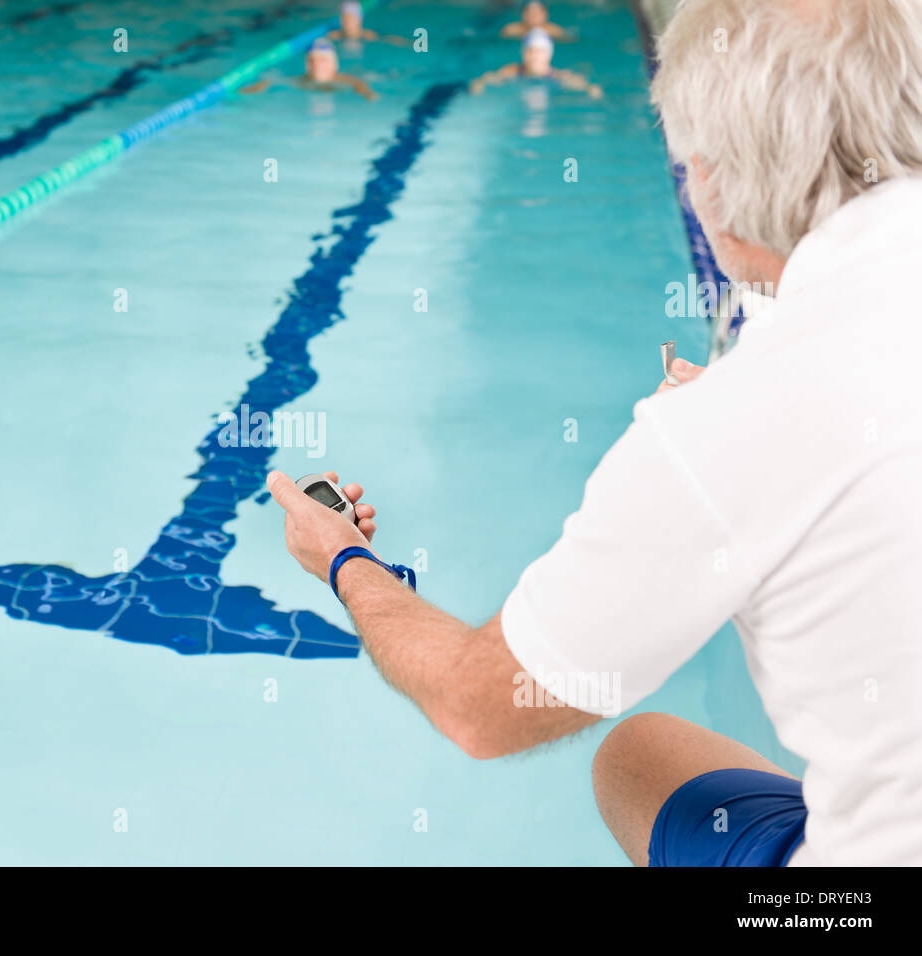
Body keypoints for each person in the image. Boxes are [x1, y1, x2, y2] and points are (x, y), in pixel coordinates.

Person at [268, 0, 922, 866]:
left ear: (716, 179)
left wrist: (344, 562)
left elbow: (480, 707)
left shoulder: (725, 425)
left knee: (634, 756)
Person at [469, 29, 602, 97]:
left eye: (539, 52)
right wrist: (478, 84)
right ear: (523, 53)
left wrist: (591, 89)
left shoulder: (558, 76)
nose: (534, 56)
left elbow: (586, 86)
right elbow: (486, 79)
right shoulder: (512, 71)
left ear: (548, 55)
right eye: (530, 51)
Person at [241, 38, 379, 100]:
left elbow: (359, 84)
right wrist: (258, 87)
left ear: (334, 65)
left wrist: (367, 94)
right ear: (307, 65)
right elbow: (273, 81)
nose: (317, 65)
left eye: (323, 60)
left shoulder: (344, 79)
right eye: (313, 61)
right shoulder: (302, 80)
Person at [327, 1, 408, 47]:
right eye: (344, 18)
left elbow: (387, 39)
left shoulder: (368, 36)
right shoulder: (333, 36)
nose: (347, 22)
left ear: (359, 19)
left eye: (351, 18)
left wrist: (407, 43)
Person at [500, 1, 573, 41]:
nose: (533, 17)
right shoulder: (511, 31)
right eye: (529, 13)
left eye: (537, 13)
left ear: (545, 15)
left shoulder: (554, 32)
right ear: (523, 15)